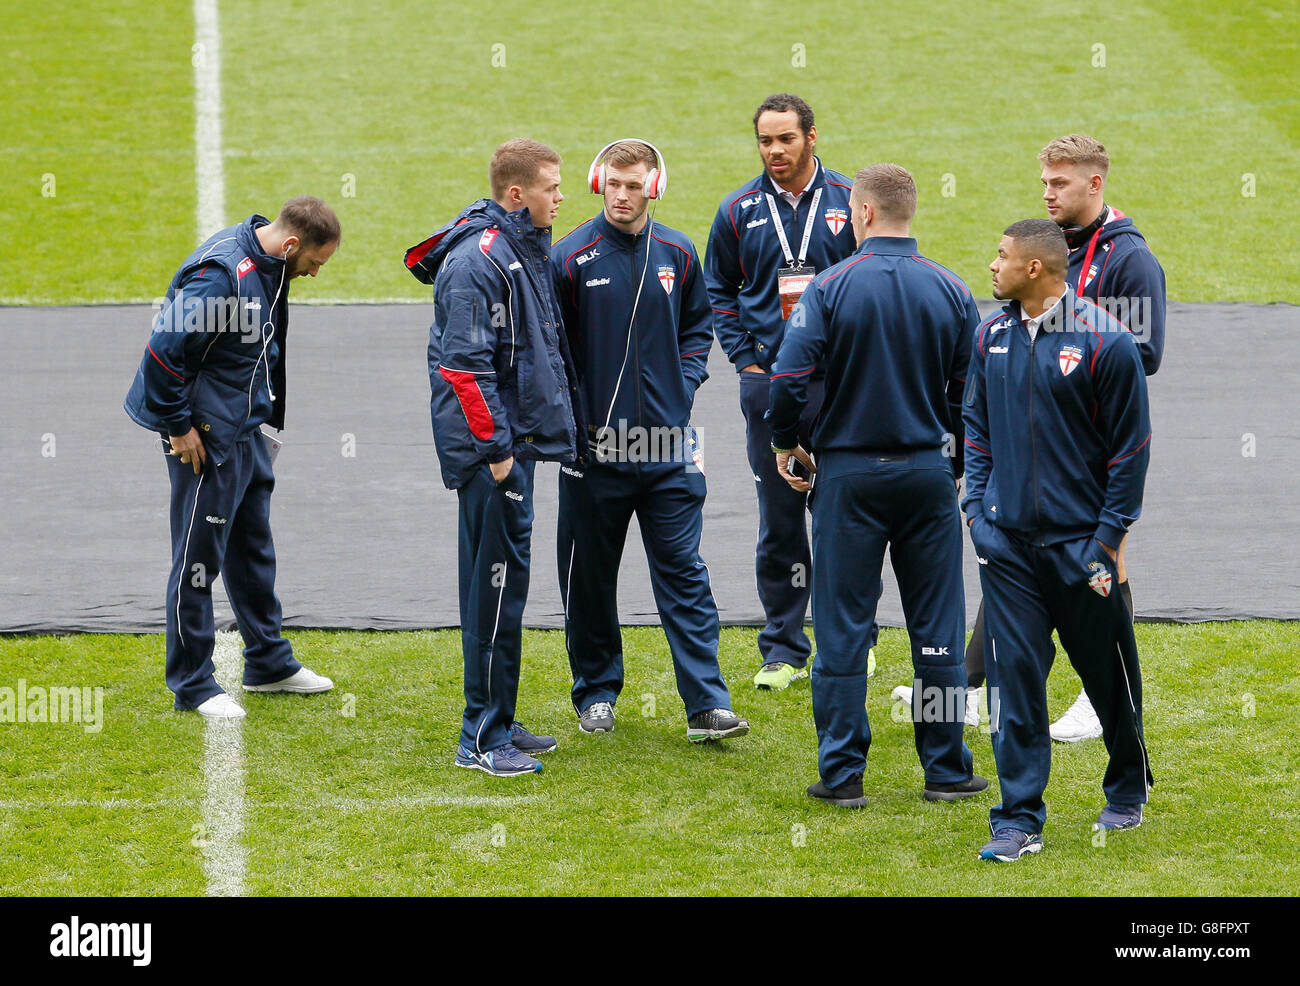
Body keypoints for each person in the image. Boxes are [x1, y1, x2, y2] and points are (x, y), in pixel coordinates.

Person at [768, 164, 986, 808]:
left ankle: (842, 776)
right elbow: (970, 394)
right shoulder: (951, 289)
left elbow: (786, 380)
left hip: (849, 479)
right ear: (909, 212)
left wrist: (787, 442)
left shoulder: (831, 287)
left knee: (841, 628)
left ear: (861, 213)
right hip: (927, 477)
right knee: (938, 629)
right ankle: (946, 770)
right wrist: (953, 461)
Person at [964, 219, 1154, 861]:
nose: (993, 265)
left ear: (1037, 270)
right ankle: (1017, 819)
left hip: (1085, 553)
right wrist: (977, 512)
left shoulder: (1107, 343)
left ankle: (1128, 784)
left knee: (1105, 673)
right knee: (1014, 682)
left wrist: (1106, 539)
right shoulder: (990, 334)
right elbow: (976, 425)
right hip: (1008, 550)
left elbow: (1131, 453)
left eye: (1002, 255)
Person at [551, 139, 748, 743]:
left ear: (654, 186)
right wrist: (576, 420)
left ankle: (707, 703)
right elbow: (554, 351)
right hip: (595, 453)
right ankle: (596, 694)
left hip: (668, 449)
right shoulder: (570, 257)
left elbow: (698, 327)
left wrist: (684, 385)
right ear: (597, 182)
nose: (622, 195)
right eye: (613, 183)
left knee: (686, 573)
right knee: (589, 578)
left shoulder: (679, 253)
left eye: (634, 185)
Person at [404, 138, 581, 777]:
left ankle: (499, 716)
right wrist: (500, 456)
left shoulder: (517, 248)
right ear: (517, 195)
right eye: (552, 187)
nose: (562, 197)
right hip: (493, 457)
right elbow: (463, 368)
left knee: (509, 587)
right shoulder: (478, 264)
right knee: (493, 591)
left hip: (512, 448)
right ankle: (479, 737)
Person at [124, 197, 340, 719]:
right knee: (197, 560)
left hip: (244, 429)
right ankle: (193, 684)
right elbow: (160, 353)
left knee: (251, 550)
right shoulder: (220, 278)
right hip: (203, 436)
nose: (312, 274)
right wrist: (178, 428)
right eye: (314, 263)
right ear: (291, 245)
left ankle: (268, 662)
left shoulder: (269, 264)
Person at [705, 93, 877, 693]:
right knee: (780, 520)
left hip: (841, 389)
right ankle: (783, 648)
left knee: (845, 517)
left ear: (812, 136)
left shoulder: (853, 201)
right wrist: (747, 362)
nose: (774, 151)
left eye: (785, 139)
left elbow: (877, 282)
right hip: (770, 389)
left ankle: (855, 639)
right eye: (764, 141)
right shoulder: (737, 210)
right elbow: (717, 290)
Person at [1039, 133, 1167, 742]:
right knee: (1019, 556)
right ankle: (978, 687)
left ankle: (1102, 697)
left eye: (1060, 183)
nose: (1048, 193)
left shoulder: (1127, 259)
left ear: (1095, 184)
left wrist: (1067, 352)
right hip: (1048, 437)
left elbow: (1144, 353)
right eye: (1045, 182)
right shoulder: (1055, 246)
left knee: (1103, 563)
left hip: (1098, 441)